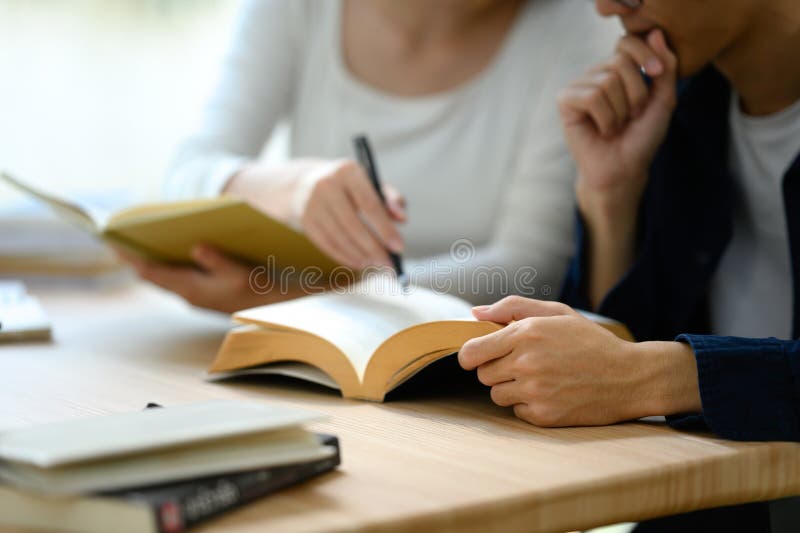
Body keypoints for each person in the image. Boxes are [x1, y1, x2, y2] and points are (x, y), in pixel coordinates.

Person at [459, 0, 799, 529]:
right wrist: (610, 198)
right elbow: (614, 376)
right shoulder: (678, 108)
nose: (606, 6)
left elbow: (630, 375)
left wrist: (648, 377)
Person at [120, 0, 618, 312]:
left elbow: (530, 270)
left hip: (471, 387)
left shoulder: (581, 23)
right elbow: (186, 173)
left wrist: (288, 298)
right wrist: (293, 189)